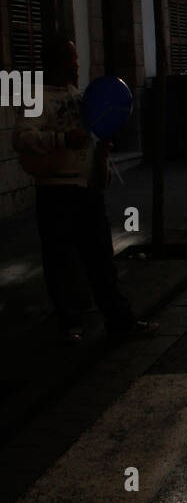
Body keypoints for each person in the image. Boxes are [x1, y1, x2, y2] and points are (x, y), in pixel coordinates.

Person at [14, 40, 156, 344]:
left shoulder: (80, 97)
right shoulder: (38, 97)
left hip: (86, 190)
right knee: (61, 264)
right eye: (72, 58)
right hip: (56, 192)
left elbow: (92, 132)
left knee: (102, 261)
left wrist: (100, 151)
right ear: (57, 62)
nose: (78, 64)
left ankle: (120, 321)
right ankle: (69, 326)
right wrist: (62, 139)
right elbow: (24, 138)